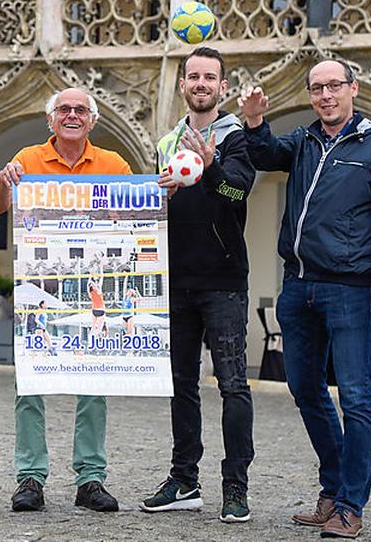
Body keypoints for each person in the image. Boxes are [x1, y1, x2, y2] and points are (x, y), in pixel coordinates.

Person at [240, 59, 371, 538]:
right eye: (316, 88)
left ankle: (350, 506)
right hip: (297, 287)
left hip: (351, 288)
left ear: (353, 89)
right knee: (305, 389)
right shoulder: (304, 140)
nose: (324, 96)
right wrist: (255, 121)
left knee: (357, 397)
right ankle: (333, 489)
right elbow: (265, 154)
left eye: (333, 86)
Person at [0, 87, 132, 514]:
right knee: (31, 384)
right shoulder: (28, 159)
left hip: (94, 292)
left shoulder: (115, 165)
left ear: (92, 121)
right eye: (64, 109)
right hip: (39, 291)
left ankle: (90, 479)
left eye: (81, 110)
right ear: (51, 120)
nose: (72, 115)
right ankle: (30, 477)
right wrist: (2, 179)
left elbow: (133, 216)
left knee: (93, 385)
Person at [142, 46, 256, 523]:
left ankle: (235, 487)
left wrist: (209, 168)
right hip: (177, 278)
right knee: (180, 383)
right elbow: (155, 212)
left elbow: (235, 192)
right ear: (183, 84)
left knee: (232, 385)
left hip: (223, 280)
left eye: (210, 77)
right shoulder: (167, 142)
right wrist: (156, 197)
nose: (201, 83)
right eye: (194, 76)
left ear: (222, 87)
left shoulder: (237, 138)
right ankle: (184, 480)